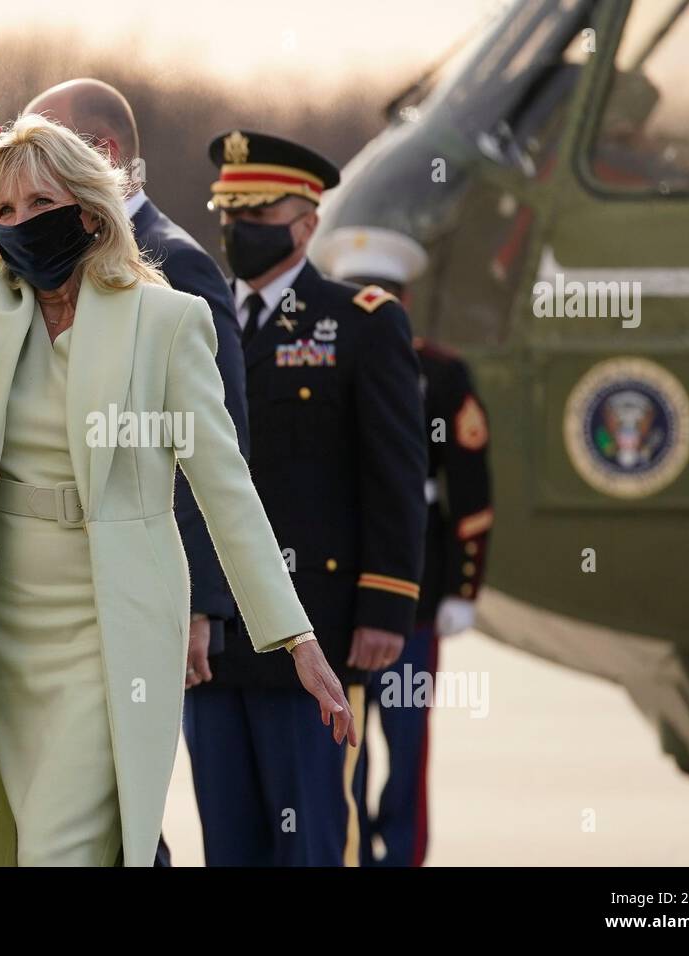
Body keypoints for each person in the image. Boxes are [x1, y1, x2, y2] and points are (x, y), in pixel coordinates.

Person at [0, 105, 359, 867]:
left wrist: (296, 638)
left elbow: (224, 486)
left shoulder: (166, 320)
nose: (21, 222)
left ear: (87, 207)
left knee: (63, 847)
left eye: (41, 204)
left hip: (106, 627)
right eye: (4, 209)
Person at [182, 131, 427, 866]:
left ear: (308, 221)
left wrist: (386, 605)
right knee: (230, 843)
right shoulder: (191, 319)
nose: (238, 229)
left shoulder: (361, 319)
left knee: (313, 841)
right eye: (230, 211)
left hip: (311, 631)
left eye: (259, 212)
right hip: (215, 640)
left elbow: (395, 472)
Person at [23, 77, 248, 868]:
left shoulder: (176, 269)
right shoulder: (52, 260)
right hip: (60, 591)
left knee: (116, 800)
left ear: (104, 155)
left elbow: (211, 453)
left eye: (47, 150)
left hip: (141, 590)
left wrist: (201, 607)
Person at [315, 225, 493, 866]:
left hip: (415, 591)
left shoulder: (440, 375)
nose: (372, 305)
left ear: (404, 298)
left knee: (408, 739)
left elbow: (469, 492)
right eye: (360, 293)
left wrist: (462, 590)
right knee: (343, 740)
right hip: (337, 586)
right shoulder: (314, 359)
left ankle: (403, 858)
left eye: (383, 294)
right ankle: (354, 852)